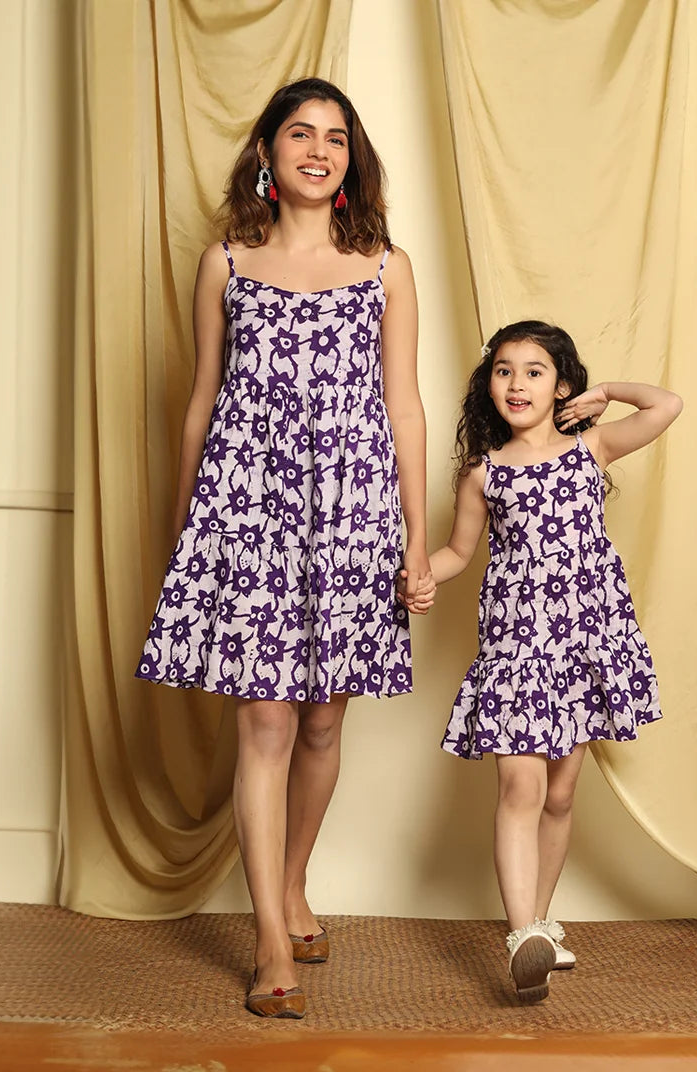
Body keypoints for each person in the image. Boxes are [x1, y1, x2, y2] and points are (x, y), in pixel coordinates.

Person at [136, 77, 431, 1020]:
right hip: (248, 511)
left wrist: (418, 536)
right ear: (265, 151)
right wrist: (191, 529)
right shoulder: (226, 261)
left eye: (335, 138)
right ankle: (269, 934)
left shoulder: (387, 267)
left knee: (320, 723)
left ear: (352, 159)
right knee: (263, 722)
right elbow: (199, 403)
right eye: (298, 134)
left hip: (351, 516)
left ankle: (294, 877)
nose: (317, 150)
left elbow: (405, 408)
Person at [403, 320, 680, 1002]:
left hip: (586, 639)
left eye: (533, 370)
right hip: (517, 643)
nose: (516, 383)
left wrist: (607, 392)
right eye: (503, 370)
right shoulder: (483, 474)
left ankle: (543, 927)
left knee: (559, 793)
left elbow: (666, 405)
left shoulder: (593, 449)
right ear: (487, 384)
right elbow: (458, 554)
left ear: (561, 385)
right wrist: (415, 576)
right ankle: (520, 933)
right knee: (521, 789)